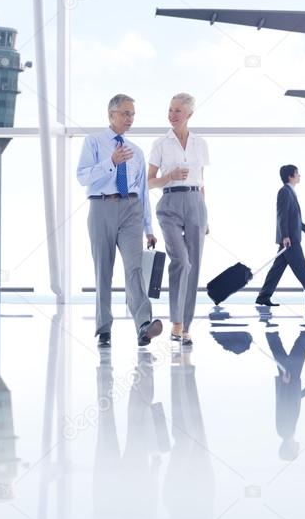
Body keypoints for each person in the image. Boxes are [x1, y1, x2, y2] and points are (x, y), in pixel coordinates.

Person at [77, 93, 162, 348]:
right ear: (111, 115)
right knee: (103, 270)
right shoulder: (93, 142)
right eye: (125, 113)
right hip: (101, 207)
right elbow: (83, 177)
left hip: (131, 210)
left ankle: (143, 325)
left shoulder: (136, 151)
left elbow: (143, 191)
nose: (130, 119)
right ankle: (104, 329)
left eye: (132, 114)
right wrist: (111, 163)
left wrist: (148, 227)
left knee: (134, 268)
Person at [148, 92, 209, 346]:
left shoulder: (200, 143)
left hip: (196, 204)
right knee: (181, 261)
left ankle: (185, 327)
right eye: (170, 110)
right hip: (170, 203)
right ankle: (175, 322)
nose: (172, 115)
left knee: (193, 266)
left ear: (189, 115)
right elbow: (149, 182)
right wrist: (169, 176)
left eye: (178, 111)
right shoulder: (160, 144)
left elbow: (202, 180)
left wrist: (207, 214)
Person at [256, 165, 305, 308]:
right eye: (297, 173)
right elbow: (282, 216)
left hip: (291, 238)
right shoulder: (284, 192)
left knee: (276, 270)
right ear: (291, 176)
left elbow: (294, 219)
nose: (299, 176)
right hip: (290, 240)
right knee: (302, 269)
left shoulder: (290, 192)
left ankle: (263, 297)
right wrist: (285, 236)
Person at [267, 330, 305, 461]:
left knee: (298, 355)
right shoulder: (288, 431)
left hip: (289, 383)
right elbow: (293, 401)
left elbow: (283, 403)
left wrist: (284, 384)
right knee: (284, 356)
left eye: (296, 451)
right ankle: (270, 330)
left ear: (290, 449)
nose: (298, 448)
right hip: (291, 384)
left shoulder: (284, 431)